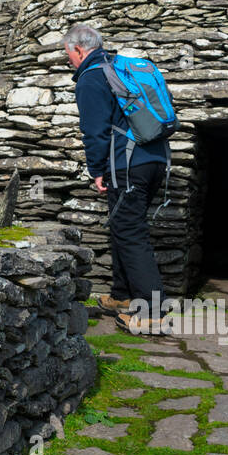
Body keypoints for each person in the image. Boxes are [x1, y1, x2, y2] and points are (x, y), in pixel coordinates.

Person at [64, 24, 169, 332]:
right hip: (156, 158)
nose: (69, 60)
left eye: (68, 54)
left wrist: (97, 171)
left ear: (79, 50)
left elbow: (94, 132)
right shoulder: (122, 68)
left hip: (127, 164)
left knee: (130, 231)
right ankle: (123, 297)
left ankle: (152, 312)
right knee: (124, 225)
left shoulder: (91, 77)